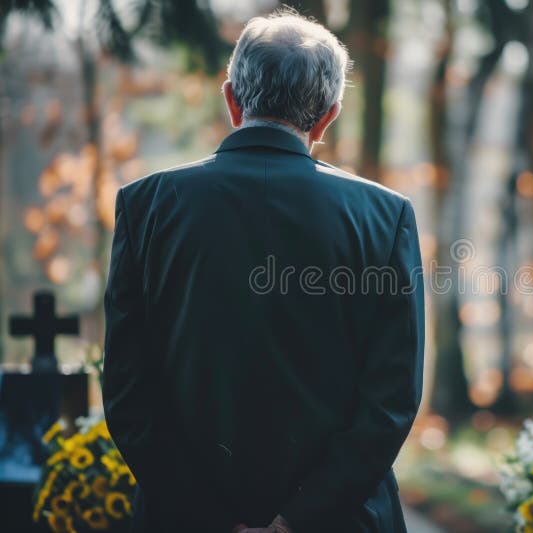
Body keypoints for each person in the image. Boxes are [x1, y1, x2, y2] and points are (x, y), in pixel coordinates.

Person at [102, 9, 424, 533]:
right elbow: (391, 401)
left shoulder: (147, 206)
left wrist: (202, 515)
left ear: (231, 99)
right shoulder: (386, 218)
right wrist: (295, 519)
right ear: (328, 117)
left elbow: (125, 386)